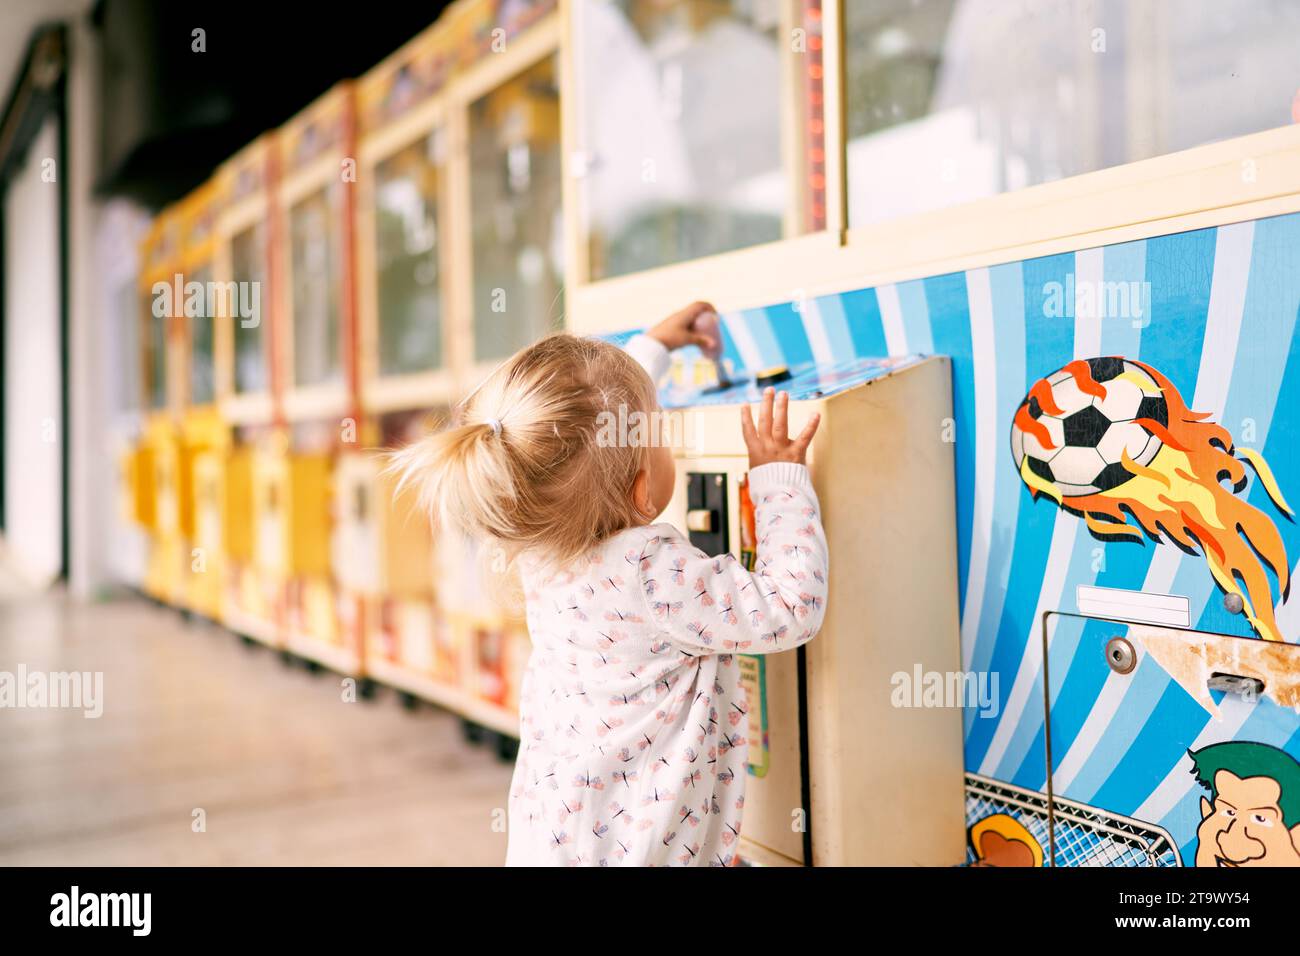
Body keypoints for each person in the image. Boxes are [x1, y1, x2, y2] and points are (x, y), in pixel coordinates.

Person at [393, 302, 827, 866]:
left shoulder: (542, 549)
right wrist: (778, 480)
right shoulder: (654, 572)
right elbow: (791, 606)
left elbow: (577, 424)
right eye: (660, 434)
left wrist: (652, 351)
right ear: (643, 490)